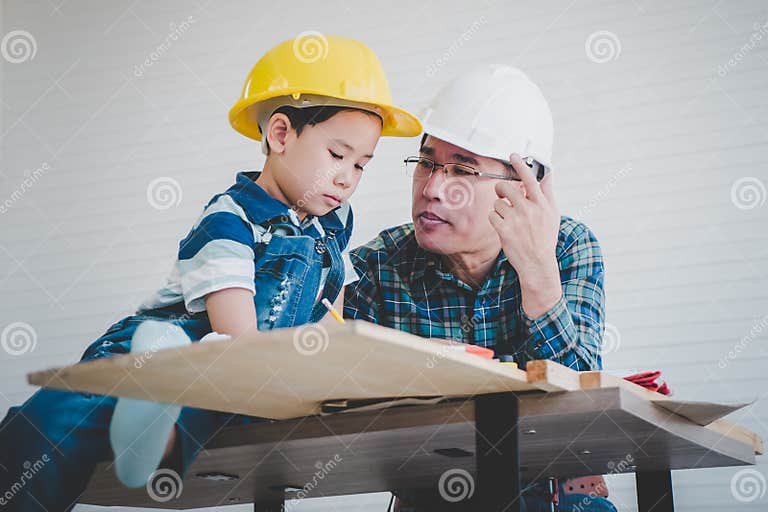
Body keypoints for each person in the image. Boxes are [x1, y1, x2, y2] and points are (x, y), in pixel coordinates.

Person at [0, 35, 421, 512]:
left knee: (214, 398)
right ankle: (139, 423)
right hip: (175, 345)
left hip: (236, 372)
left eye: (362, 165)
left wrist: (325, 377)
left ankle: (150, 445)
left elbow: (330, 317)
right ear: (281, 135)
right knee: (53, 422)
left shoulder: (333, 226)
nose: (348, 177)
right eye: (337, 155)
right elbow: (233, 329)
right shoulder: (230, 218)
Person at [344, 65, 616, 512]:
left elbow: (582, 408)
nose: (432, 189)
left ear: (521, 188)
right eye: (427, 163)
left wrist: (538, 273)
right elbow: (349, 407)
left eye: (462, 171)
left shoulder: (568, 246)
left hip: (553, 498)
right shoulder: (383, 263)